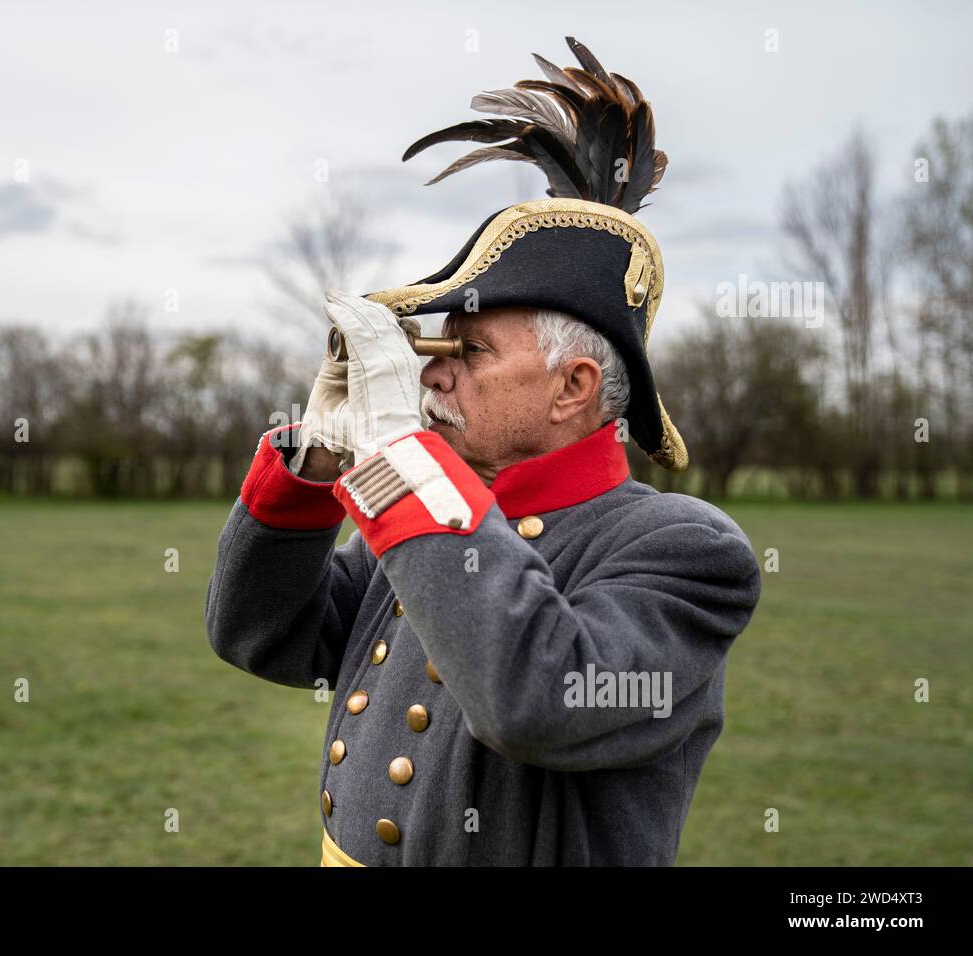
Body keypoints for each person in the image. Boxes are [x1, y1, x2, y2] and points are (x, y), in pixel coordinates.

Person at [204, 38, 761, 866]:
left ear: (573, 387)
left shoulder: (687, 552)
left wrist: (402, 458)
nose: (432, 371)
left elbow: (539, 701)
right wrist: (320, 460)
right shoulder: (440, 522)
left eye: (469, 351)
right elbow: (258, 634)